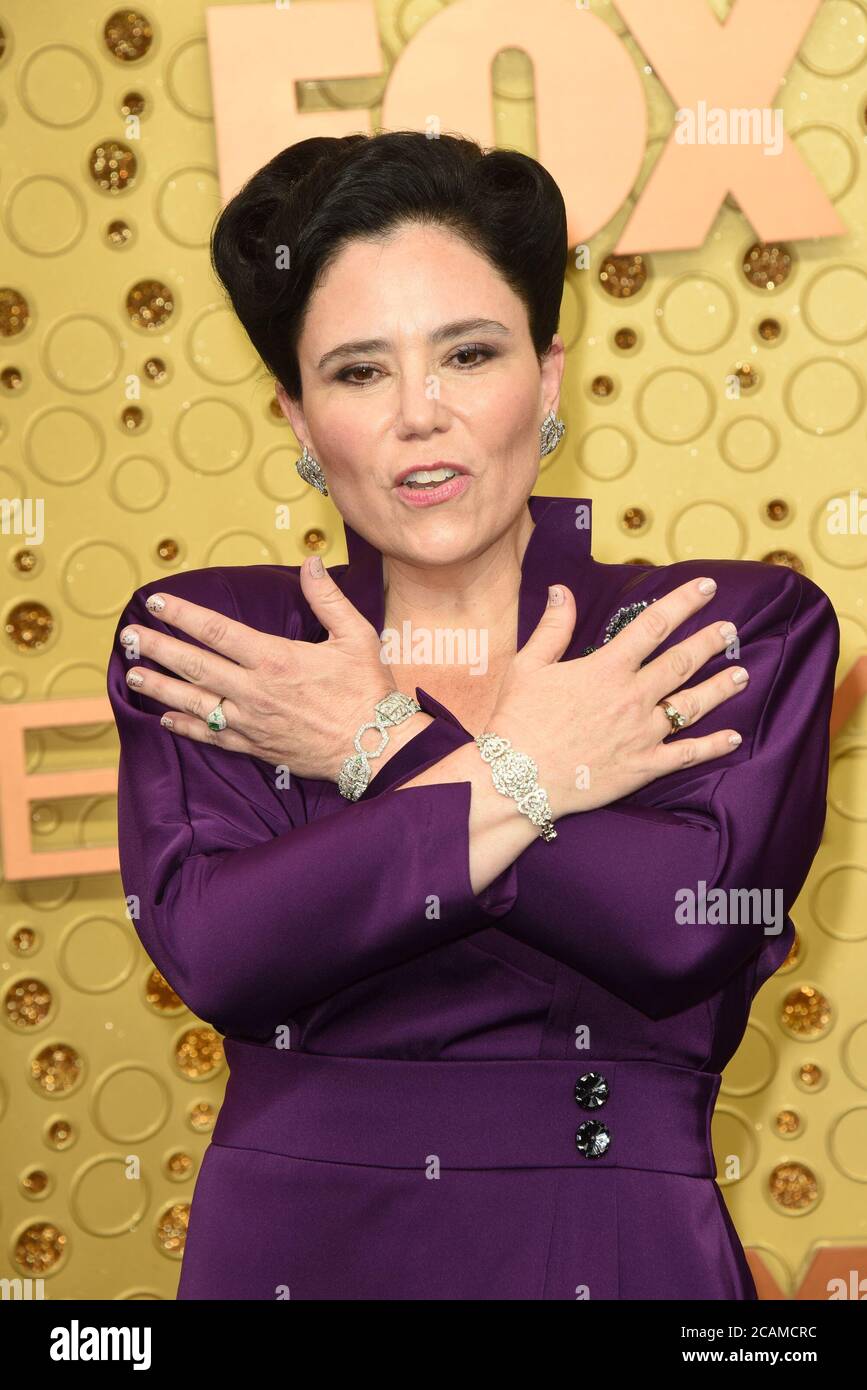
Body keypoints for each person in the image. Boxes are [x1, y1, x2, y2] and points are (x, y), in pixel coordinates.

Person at [106, 131, 839, 1300]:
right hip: (295, 1251)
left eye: (468, 353)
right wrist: (531, 775)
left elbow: (675, 931)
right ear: (297, 417)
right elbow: (223, 951)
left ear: (546, 380)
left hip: (617, 1242)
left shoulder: (720, 626)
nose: (420, 414)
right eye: (358, 371)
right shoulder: (222, 642)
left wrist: (379, 743)